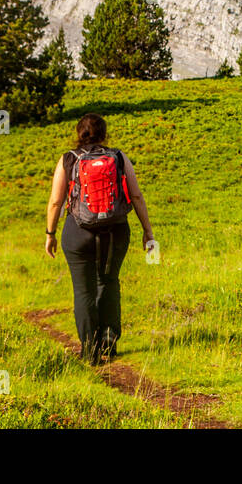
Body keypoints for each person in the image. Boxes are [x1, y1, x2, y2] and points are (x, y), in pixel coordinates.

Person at [44, 113, 155, 363]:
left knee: (83, 290)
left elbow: (55, 201)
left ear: (78, 133)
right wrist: (147, 231)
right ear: (104, 133)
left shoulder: (68, 160)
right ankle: (109, 340)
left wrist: (50, 233)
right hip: (115, 230)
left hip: (78, 233)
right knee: (109, 281)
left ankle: (89, 351)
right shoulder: (118, 157)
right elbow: (136, 196)